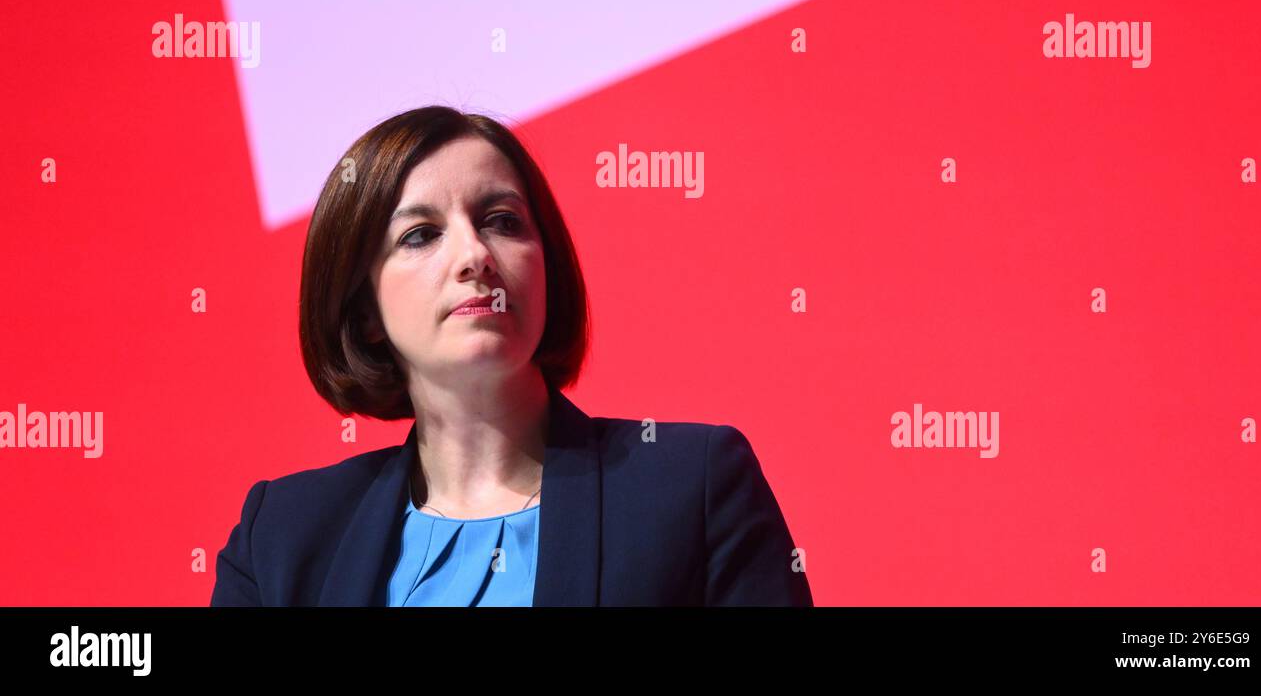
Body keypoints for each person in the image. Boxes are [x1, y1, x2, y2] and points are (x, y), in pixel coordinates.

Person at [210, 105, 812, 606]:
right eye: (420, 234)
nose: (475, 255)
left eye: (501, 221)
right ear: (365, 312)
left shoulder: (693, 488)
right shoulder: (283, 536)